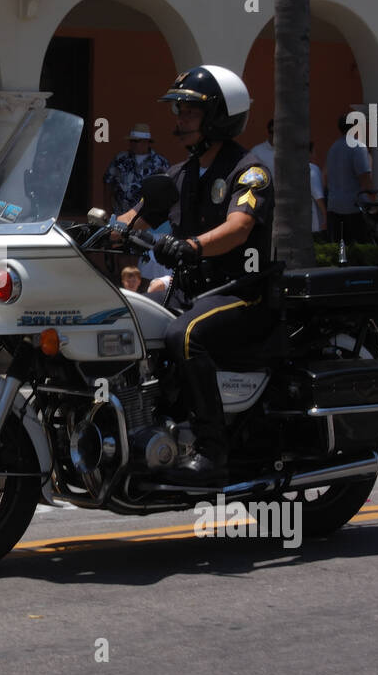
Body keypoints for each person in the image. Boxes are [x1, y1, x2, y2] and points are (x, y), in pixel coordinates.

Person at [116, 65, 272, 484]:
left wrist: (192, 245)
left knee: (184, 335)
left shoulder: (249, 170)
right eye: (178, 110)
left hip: (243, 292)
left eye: (189, 111)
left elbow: (239, 227)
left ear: (218, 116)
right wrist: (101, 230)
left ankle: (211, 453)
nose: (179, 120)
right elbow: (136, 216)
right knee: (123, 327)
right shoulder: (179, 174)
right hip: (195, 291)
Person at [324, 113, 373, 244]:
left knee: (339, 250)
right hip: (353, 208)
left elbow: (326, 177)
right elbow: (365, 179)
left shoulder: (333, 148)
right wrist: (374, 205)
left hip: (334, 206)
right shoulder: (358, 147)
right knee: (359, 251)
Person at [103, 123, 171, 216]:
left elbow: (167, 191)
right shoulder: (120, 159)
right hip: (121, 215)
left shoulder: (160, 163)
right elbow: (108, 182)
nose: (132, 144)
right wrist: (108, 209)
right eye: (131, 141)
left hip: (147, 218)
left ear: (145, 142)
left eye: (136, 141)